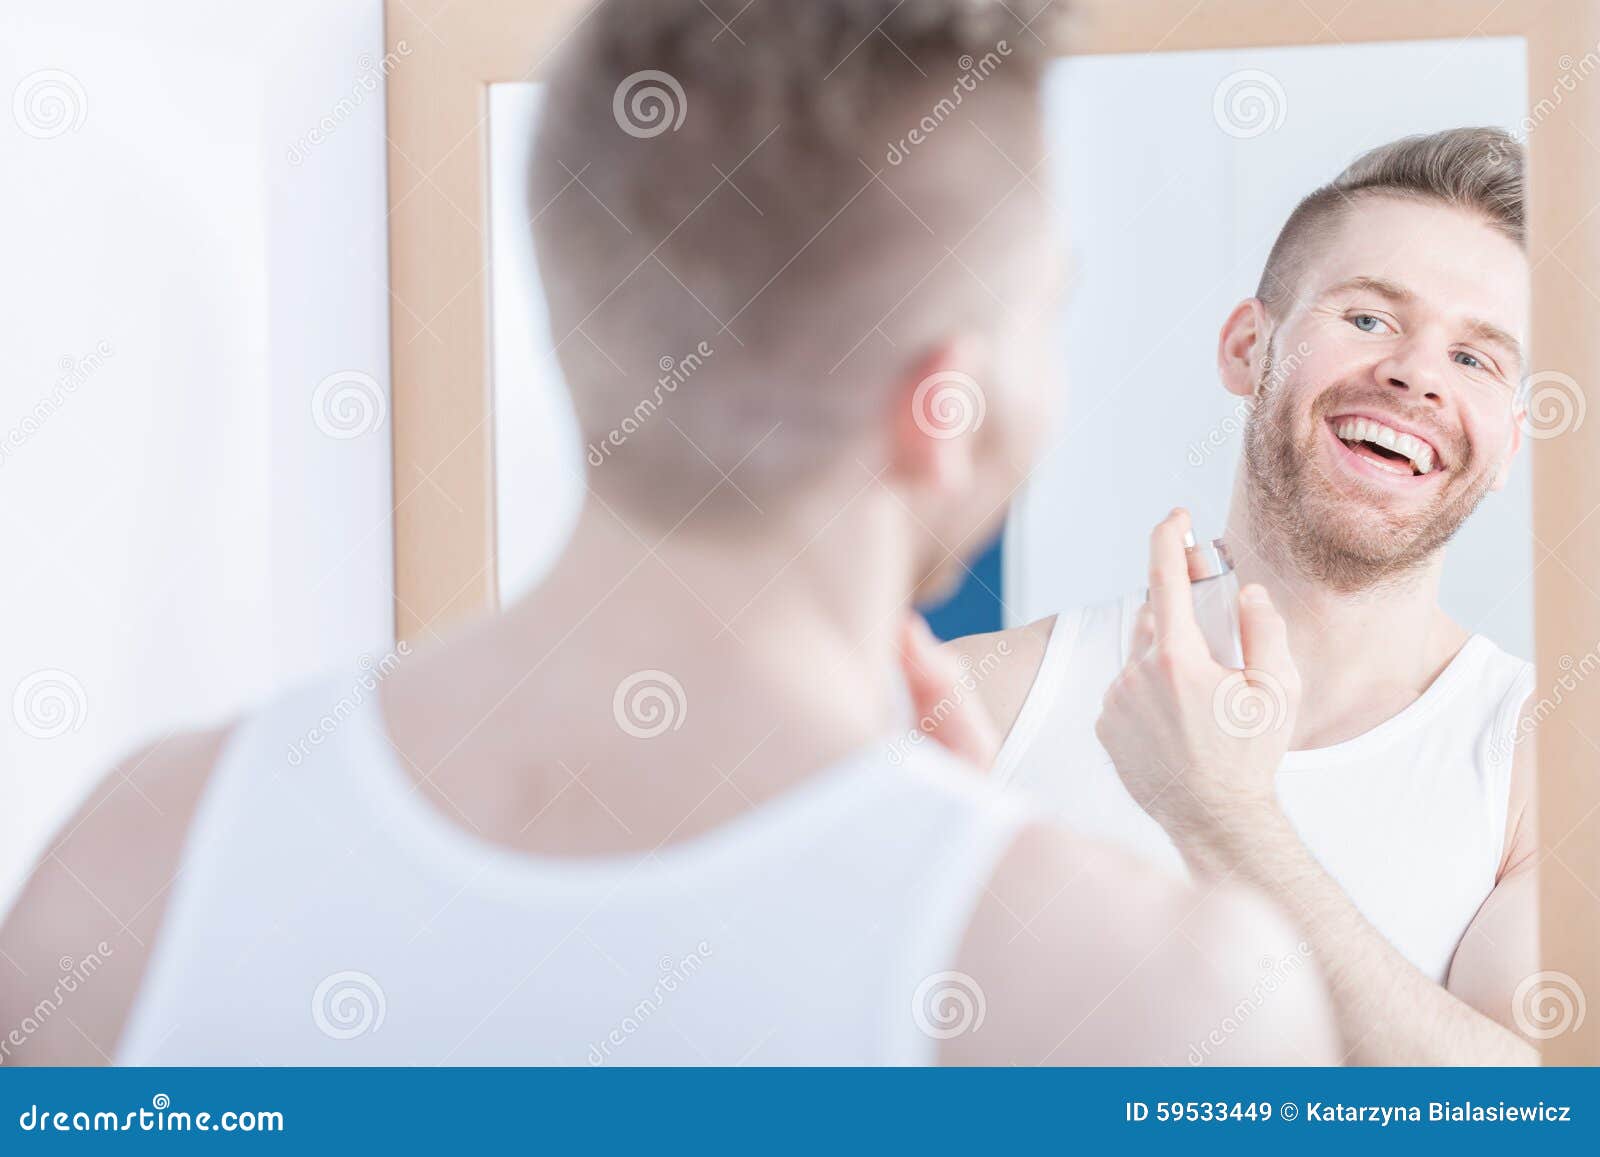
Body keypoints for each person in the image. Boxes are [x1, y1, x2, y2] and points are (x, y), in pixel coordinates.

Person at [0, 0, 1336, 1066]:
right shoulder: (1153, 1000)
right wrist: (970, 889)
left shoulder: (129, 864)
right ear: (947, 403)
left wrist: (953, 859)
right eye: (1050, 304)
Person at [942, 128, 1542, 1064]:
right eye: (1370, 318)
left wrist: (1224, 817)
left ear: (1510, 441)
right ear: (1245, 349)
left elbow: (1526, 1117)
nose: (1417, 373)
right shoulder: (979, 702)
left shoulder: (1545, 771)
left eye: (1477, 359)